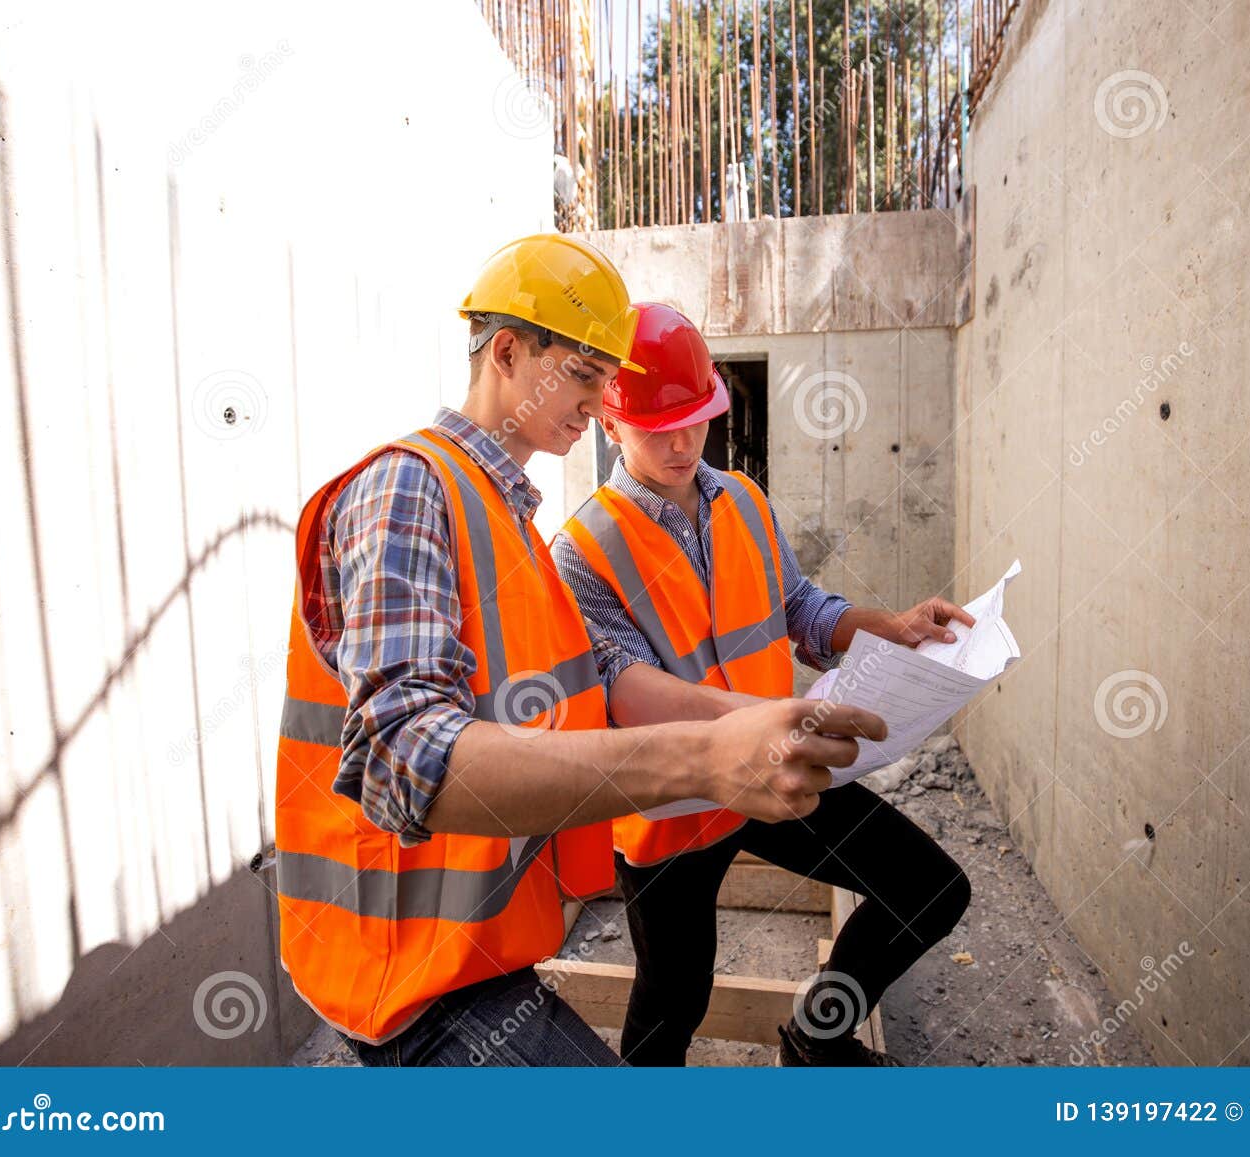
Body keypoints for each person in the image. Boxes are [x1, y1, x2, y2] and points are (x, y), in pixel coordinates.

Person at [273, 237, 887, 1067]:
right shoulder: (409, 488)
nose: (601, 404)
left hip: (480, 948)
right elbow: (402, 757)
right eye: (587, 375)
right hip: (413, 974)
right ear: (507, 352)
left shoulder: (507, 521)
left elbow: (600, 690)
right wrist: (707, 754)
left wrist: (761, 720)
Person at [552, 302, 973, 1066]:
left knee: (929, 887)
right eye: (657, 426)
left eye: (696, 418)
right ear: (609, 422)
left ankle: (814, 1039)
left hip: (778, 766)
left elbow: (800, 607)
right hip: (673, 807)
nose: (683, 442)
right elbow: (624, 689)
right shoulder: (584, 548)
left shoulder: (743, 500)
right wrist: (771, 718)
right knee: (675, 993)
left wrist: (891, 627)